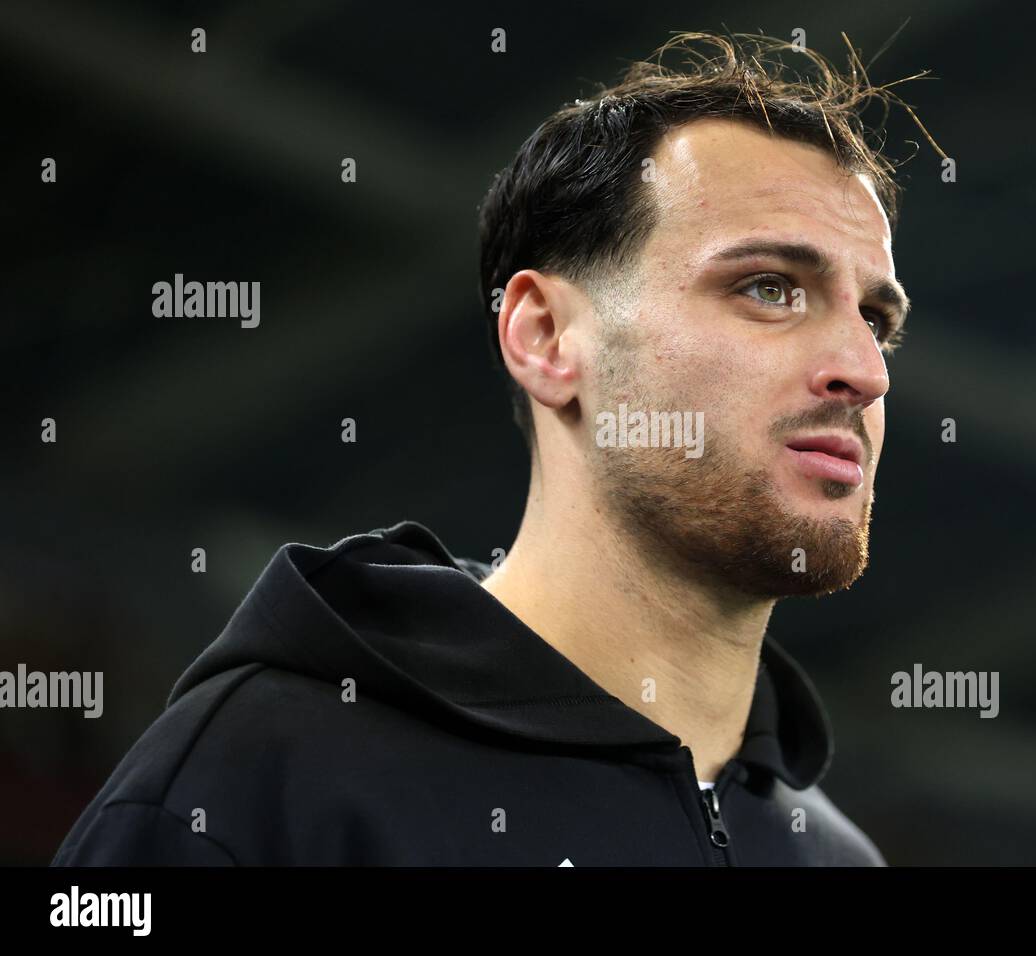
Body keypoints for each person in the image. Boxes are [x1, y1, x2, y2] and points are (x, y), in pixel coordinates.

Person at [52, 30, 914, 866]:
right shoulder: (258, 782)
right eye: (770, 288)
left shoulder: (838, 857)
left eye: (875, 319)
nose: (864, 371)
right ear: (544, 337)